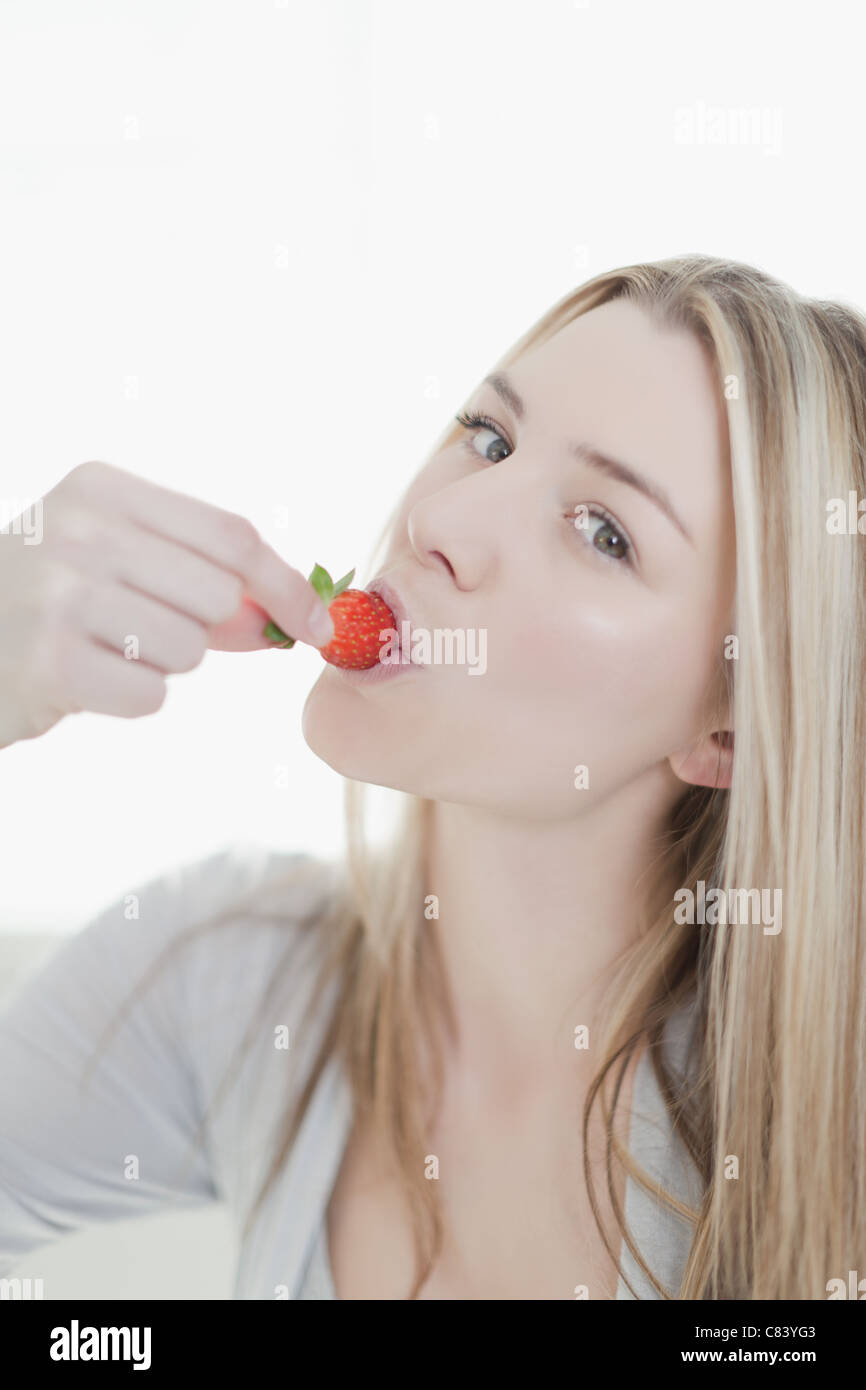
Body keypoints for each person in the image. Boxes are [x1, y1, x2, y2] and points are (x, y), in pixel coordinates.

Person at [1, 253, 863, 1300]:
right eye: (489, 438)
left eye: (603, 533)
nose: (439, 523)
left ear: (728, 732)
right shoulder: (231, 976)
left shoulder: (824, 1150)